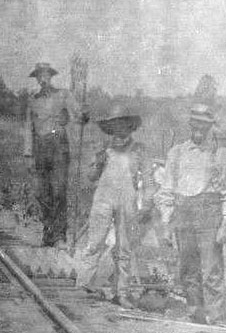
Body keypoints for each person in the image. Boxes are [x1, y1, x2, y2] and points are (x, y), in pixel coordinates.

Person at [156, 103, 226, 324]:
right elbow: (167, 190)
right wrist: (167, 222)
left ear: (211, 126)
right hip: (183, 213)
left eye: (204, 125)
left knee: (211, 269)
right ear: (190, 125)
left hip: (209, 213)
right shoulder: (177, 152)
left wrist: (224, 224)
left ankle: (216, 318)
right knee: (187, 268)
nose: (199, 130)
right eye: (195, 124)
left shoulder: (219, 154)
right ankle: (195, 314)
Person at [76, 105, 146, 304]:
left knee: (124, 247)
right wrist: (98, 162)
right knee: (95, 242)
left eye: (122, 126)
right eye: (114, 126)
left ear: (130, 127)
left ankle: (121, 292)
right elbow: (91, 177)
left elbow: (148, 180)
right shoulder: (104, 150)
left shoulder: (139, 151)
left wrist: (147, 204)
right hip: (103, 200)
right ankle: (84, 285)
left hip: (127, 201)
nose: (119, 130)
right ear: (110, 128)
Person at [23, 62, 86, 248]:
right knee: (42, 193)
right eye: (39, 76)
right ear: (36, 79)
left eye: (46, 75)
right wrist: (27, 154)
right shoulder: (33, 100)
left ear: (51, 77)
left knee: (58, 191)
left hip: (59, 147)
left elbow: (77, 114)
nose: (43, 79)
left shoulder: (63, 95)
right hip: (40, 149)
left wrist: (82, 115)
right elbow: (28, 127)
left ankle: (59, 236)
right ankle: (47, 232)